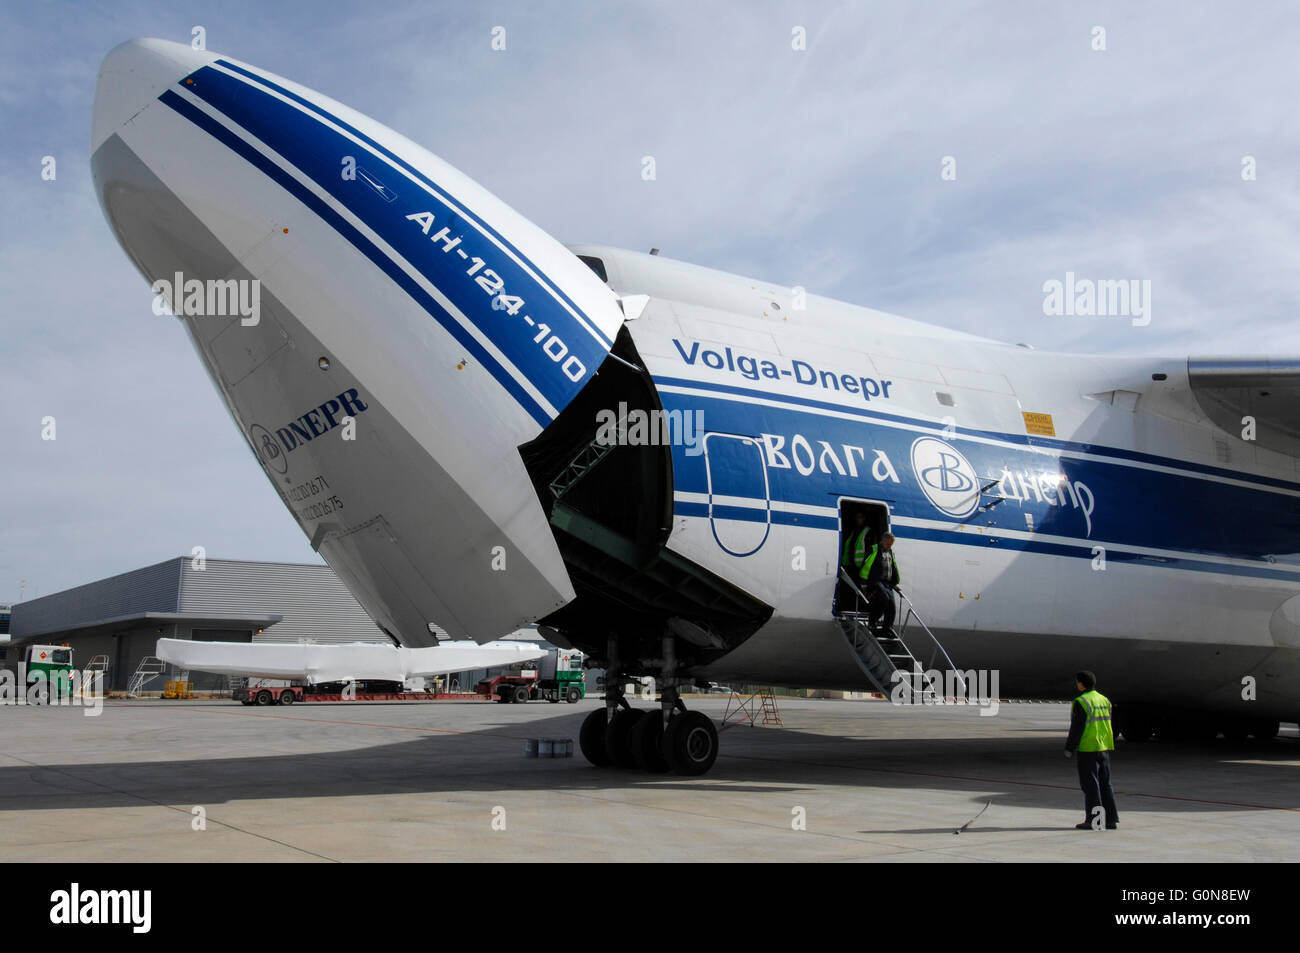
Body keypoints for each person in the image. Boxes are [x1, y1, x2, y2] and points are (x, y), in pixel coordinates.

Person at [1064, 670, 1119, 830]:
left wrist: (1069, 748)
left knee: (1091, 786)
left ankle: (1095, 820)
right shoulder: (1104, 700)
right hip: (1103, 747)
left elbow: (1077, 728)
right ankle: (1110, 819)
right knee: (1105, 784)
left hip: (1088, 748)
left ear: (1081, 684)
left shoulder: (1081, 701)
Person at [862, 533, 901, 633]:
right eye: (888, 544)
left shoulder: (890, 552)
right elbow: (865, 566)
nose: (890, 546)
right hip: (876, 580)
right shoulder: (874, 549)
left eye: (891, 544)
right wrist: (864, 582)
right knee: (884, 598)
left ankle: (887, 628)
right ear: (883, 541)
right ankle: (872, 621)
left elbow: (893, 567)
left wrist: (895, 582)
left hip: (887, 582)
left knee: (891, 606)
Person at [838, 509, 875, 612]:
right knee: (849, 588)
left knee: (859, 590)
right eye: (856, 517)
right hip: (851, 566)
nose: (857, 520)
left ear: (864, 518)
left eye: (859, 517)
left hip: (861, 567)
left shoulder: (868, 532)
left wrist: (864, 565)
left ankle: (860, 609)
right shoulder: (855, 531)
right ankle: (847, 607)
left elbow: (870, 551)